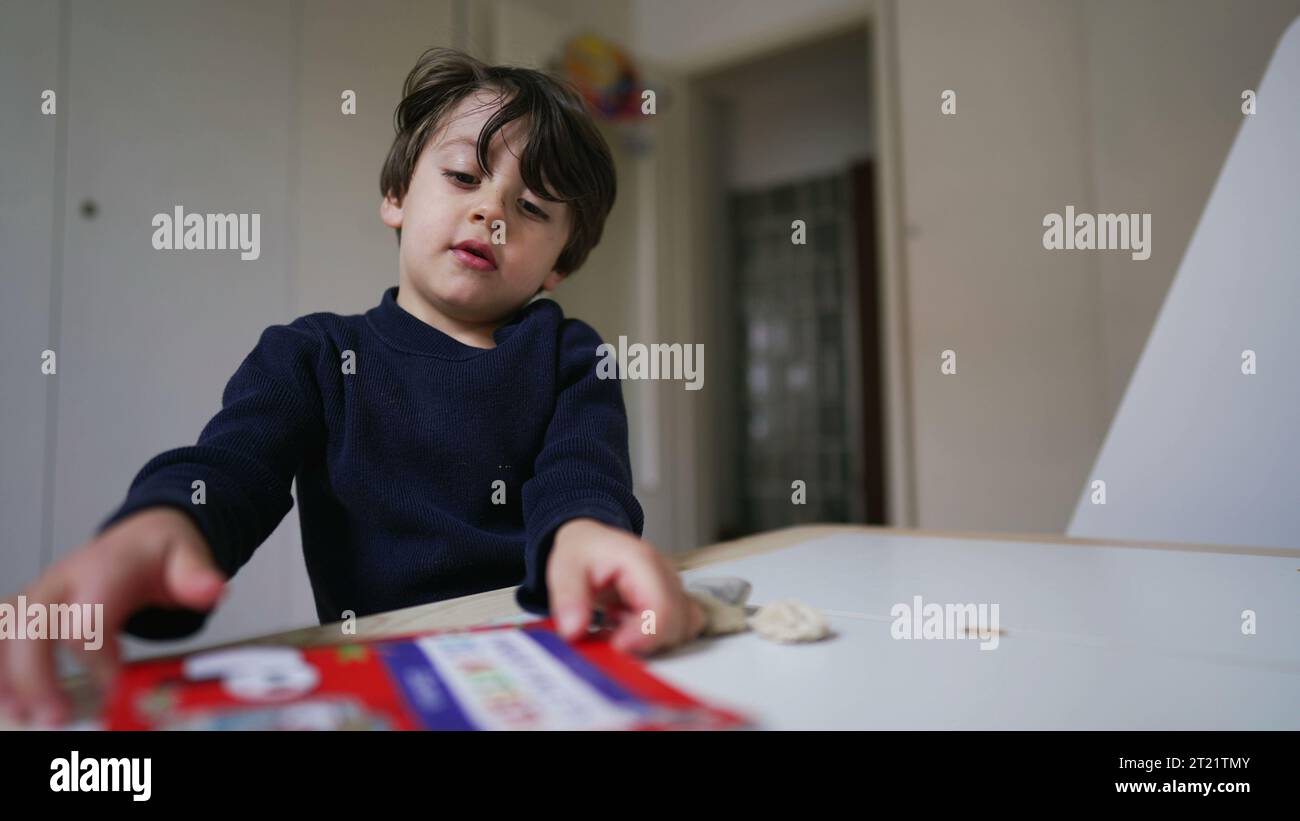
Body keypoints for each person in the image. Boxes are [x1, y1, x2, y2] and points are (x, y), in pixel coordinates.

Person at [0, 47, 705, 727]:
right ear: (396, 195)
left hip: (542, 652)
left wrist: (585, 534)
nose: (492, 212)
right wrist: (160, 526)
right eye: (464, 176)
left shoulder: (568, 354)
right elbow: (230, 468)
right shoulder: (312, 355)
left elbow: (585, 474)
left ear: (559, 264)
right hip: (382, 673)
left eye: (532, 208)